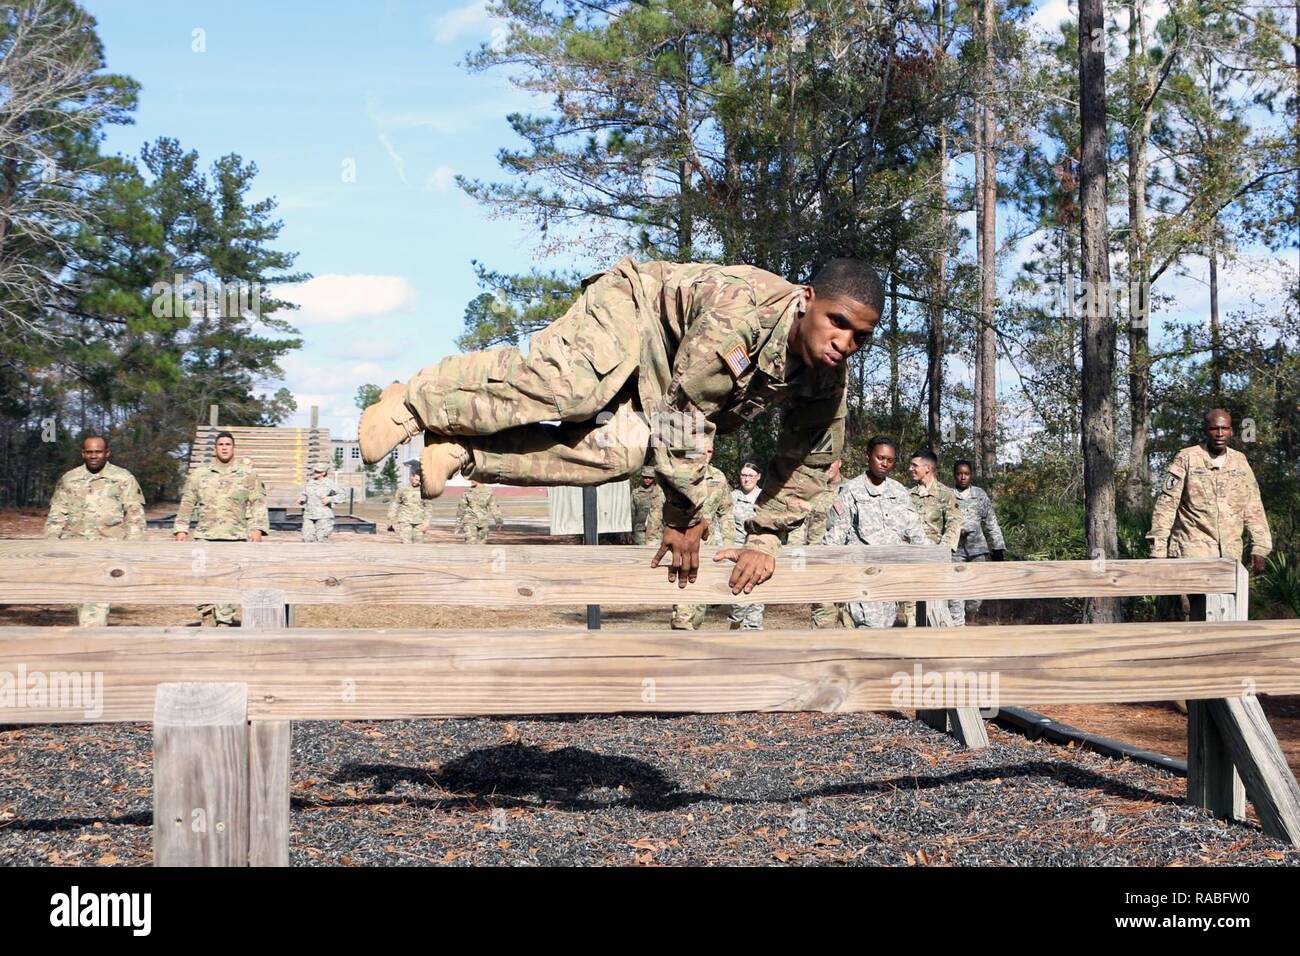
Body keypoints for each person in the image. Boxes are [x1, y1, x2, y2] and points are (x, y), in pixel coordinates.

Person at [358, 256, 884, 597]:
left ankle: (462, 453)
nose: (844, 342)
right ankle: (414, 402)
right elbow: (685, 418)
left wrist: (765, 538)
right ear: (807, 300)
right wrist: (683, 515)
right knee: (572, 385)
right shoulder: (741, 316)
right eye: (837, 322)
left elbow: (809, 463)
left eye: (860, 336)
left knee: (621, 455)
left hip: (667, 371)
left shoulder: (825, 382)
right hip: (635, 309)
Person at [1148, 408, 1272, 574]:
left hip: (1230, 557)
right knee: (1195, 600)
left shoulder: (1240, 462)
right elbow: (1166, 505)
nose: (1220, 433)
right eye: (1214, 429)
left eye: (1225, 428)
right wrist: (1158, 550)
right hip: (1192, 554)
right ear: (1206, 431)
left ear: (1231, 431)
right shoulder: (1187, 458)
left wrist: (1260, 547)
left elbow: (1253, 506)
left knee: (1226, 601)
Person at [823, 437, 931, 628]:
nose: (885, 464)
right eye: (880, 458)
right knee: (870, 630)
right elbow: (835, 539)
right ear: (869, 456)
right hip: (863, 578)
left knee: (885, 633)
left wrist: (935, 559)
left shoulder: (899, 491)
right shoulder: (851, 491)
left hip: (891, 579)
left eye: (890, 460)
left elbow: (916, 533)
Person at [43, 435, 146, 626]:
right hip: (78, 549)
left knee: (96, 600)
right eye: (89, 452)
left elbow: (135, 516)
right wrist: (51, 545)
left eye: (98, 452)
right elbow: (57, 513)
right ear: (83, 453)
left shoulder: (123, 478)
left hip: (109, 549)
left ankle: (90, 640)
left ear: (107, 453)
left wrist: (134, 549)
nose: (93, 456)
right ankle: (90, 639)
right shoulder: (69, 479)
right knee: (84, 598)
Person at [174, 431, 268, 626]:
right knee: (201, 580)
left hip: (235, 537)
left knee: (229, 583)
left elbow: (257, 502)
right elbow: (188, 502)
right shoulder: (200, 474)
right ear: (215, 449)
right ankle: (207, 615)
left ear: (234, 448)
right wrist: (181, 528)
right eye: (221, 444)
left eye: (228, 444)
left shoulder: (247, 474)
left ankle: (224, 622)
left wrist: (257, 529)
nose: (224, 447)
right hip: (205, 537)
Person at [670, 448, 734, 630]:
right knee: (683, 611)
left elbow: (726, 512)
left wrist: (728, 545)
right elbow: (659, 510)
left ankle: (690, 648)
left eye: (711, 450)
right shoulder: (679, 474)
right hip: (682, 548)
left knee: (699, 610)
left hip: (706, 551)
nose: (707, 454)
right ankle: (680, 652)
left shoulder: (718, 477)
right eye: (703, 449)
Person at [903, 449, 963, 626]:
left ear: (928, 468)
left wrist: (942, 553)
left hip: (935, 563)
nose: (910, 469)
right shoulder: (907, 495)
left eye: (914, 465)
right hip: (911, 560)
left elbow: (954, 524)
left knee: (935, 611)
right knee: (910, 613)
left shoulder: (945, 494)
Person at [950, 459, 1005, 626]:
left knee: (976, 595)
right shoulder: (948, 494)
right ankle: (957, 627)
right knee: (955, 592)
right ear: (955, 475)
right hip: (955, 550)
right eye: (959, 474)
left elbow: (991, 521)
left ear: (971, 475)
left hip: (977, 550)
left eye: (966, 474)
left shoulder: (979, 494)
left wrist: (998, 547)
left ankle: (970, 616)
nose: (963, 477)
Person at [788, 456, 842, 627]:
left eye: (831, 462)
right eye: (823, 464)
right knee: (823, 618)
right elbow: (798, 529)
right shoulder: (810, 492)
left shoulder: (853, 488)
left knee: (853, 619)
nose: (828, 467)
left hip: (849, 564)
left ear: (839, 461)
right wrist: (797, 567)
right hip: (820, 566)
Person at [727, 461, 764, 629]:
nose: (747, 479)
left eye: (750, 475)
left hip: (758, 556)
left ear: (758, 477)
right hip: (737, 557)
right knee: (737, 606)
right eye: (744, 475)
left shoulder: (766, 498)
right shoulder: (731, 497)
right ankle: (733, 642)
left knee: (756, 603)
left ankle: (754, 644)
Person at [299, 462, 342, 542]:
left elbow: (343, 494)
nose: (314, 473)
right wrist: (302, 499)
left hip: (323, 516)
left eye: (317, 471)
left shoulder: (329, 483)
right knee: (308, 539)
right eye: (314, 471)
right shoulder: (310, 482)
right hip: (309, 515)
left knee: (321, 539)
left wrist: (330, 499)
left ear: (323, 473)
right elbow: (305, 493)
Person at [388, 468, 431, 543]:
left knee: (419, 545)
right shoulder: (402, 489)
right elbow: (395, 504)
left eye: (419, 481)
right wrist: (391, 520)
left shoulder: (424, 491)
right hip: (405, 520)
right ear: (412, 477)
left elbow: (428, 508)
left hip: (419, 522)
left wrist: (426, 522)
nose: (417, 482)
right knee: (406, 544)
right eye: (416, 479)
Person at [456, 479, 504, 544]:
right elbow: (461, 508)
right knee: (470, 544)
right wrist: (458, 523)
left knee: (481, 545)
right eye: (471, 479)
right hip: (470, 521)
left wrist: (499, 522)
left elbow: (494, 507)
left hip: (483, 521)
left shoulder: (488, 492)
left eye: (474, 479)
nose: (471, 481)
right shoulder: (467, 492)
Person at [628, 466, 665, 544]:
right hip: (640, 530)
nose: (647, 480)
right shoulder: (636, 493)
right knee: (642, 553)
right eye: (645, 477)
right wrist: (628, 531)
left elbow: (666, 511)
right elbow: (631, 513)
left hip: (656, 529)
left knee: (654, 552)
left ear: (654, 478)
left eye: (650, 478)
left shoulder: (660, 493)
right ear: (642, 477)